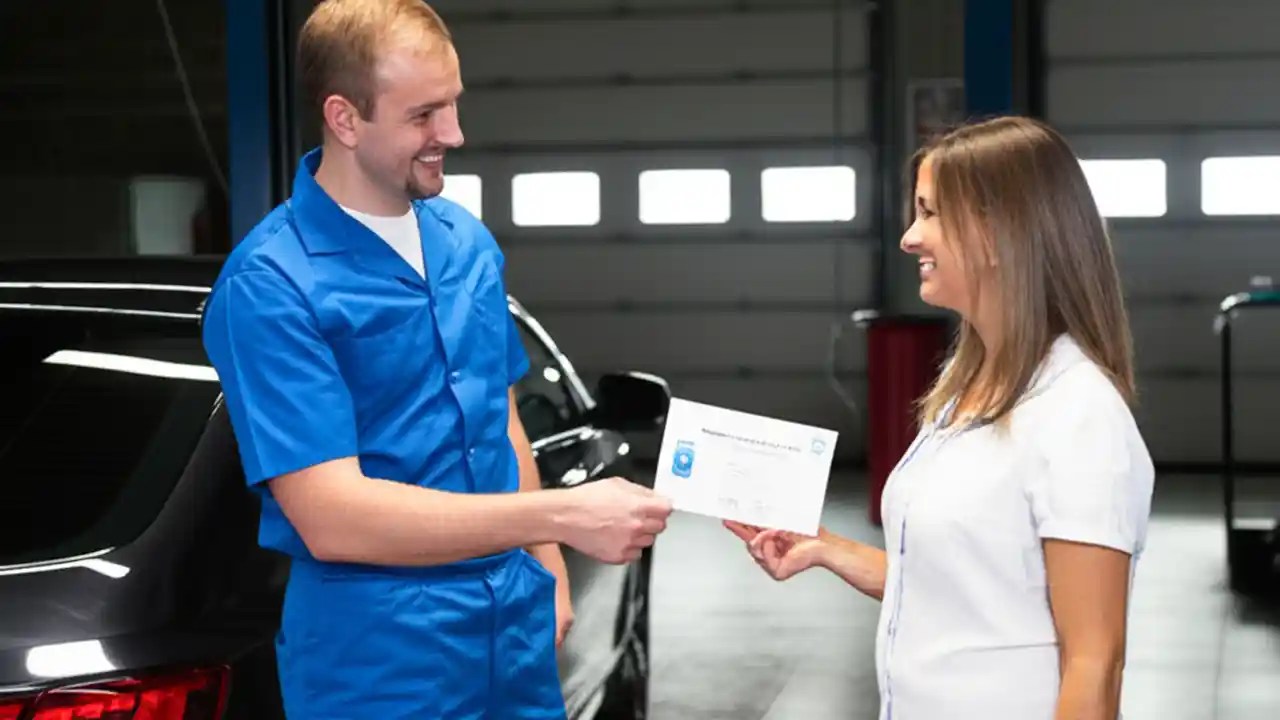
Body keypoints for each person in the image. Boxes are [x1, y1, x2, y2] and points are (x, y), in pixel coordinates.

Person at [200, 1, 672, 718]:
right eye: (424, 115)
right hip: (381, 657)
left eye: (452, 105)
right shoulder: (271, 284)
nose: (452, 134)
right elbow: (335, 517)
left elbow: (498, 413)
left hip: (513, 627)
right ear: (345, 118)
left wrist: (545, 559)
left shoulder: (464, 241)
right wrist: (563, 513)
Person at [727, 116, 1155, 720]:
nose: (908, 237)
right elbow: (969, 588)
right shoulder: (969, 392)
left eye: (930, 212)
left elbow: (1096, 662)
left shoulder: (1079, 416)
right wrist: (827, 548)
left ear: (999, 231)